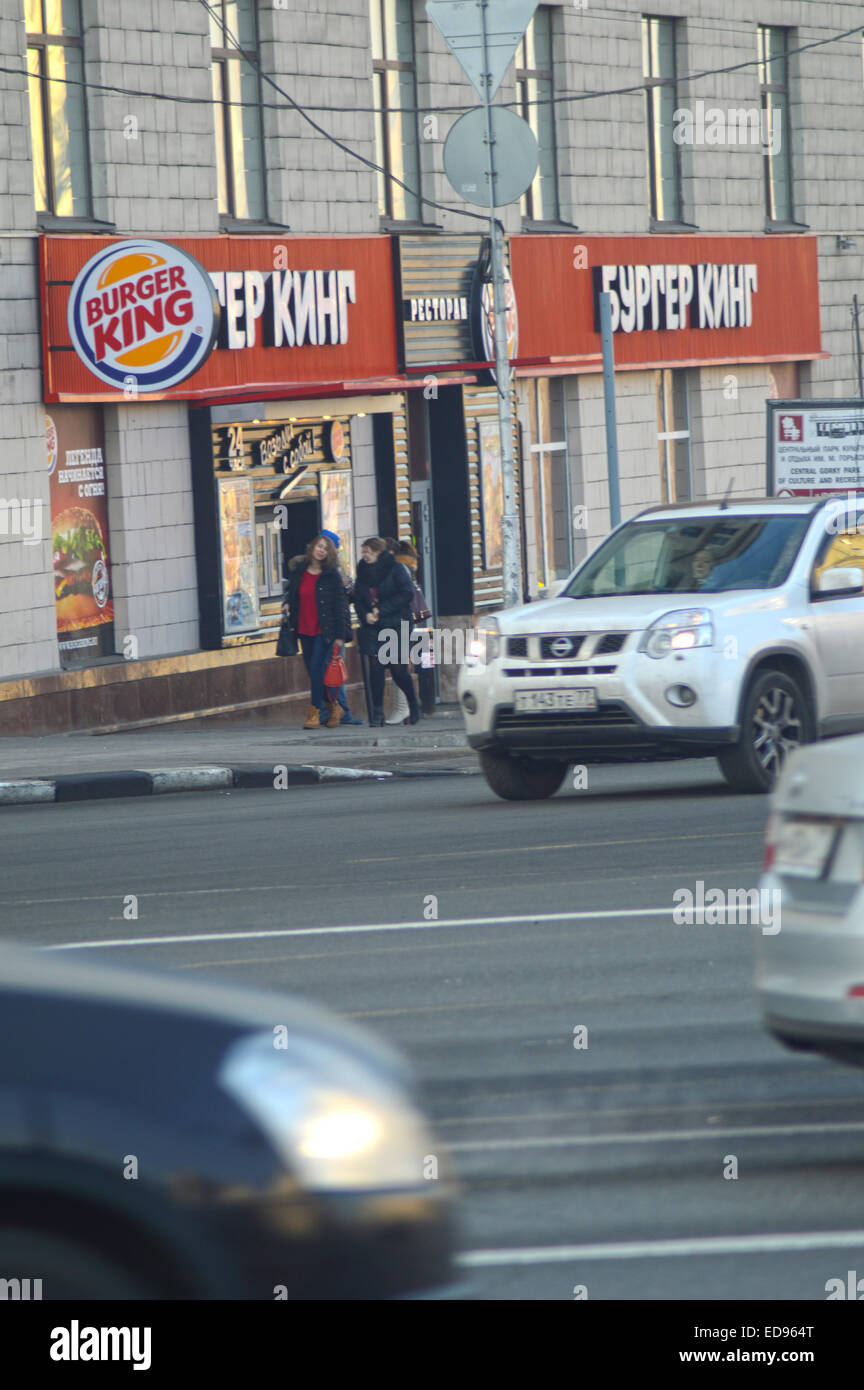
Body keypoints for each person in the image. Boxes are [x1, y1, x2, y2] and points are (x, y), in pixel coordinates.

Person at [282, 533, 351, 730]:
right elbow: (292, 595)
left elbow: (340, 607)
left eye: (326, 548)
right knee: (314, 673)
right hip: (304, 628)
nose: (321, 550)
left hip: (325, 631)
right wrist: (287, 604)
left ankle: (314, 711)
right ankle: (334, 708)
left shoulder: (331, 576)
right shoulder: (300, 572)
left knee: (316, 669)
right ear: (312, 547)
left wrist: (340, 636)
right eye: (319, 546)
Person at [353, 536, 419, 727]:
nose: (365, 555)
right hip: (372, 626)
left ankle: (414, 705)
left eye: (368, 552)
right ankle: (377, 713)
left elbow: (407, 593)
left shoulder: (396, 568)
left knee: (398, 669)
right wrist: (365, 614)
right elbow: (358, 597)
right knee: (375, 667)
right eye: (363, 552)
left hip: (396, 623)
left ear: (378, 553)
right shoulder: (363, 570)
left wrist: (382, 610)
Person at [318, 529, 363, 727]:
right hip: (330, 629)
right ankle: (338, 711)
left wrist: (347, 590)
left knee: (330, 671)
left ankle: (331, 711)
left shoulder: (330, 569)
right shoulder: (329, 571)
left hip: (329, 628)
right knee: (335, 671)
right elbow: (336, 603)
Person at [395, 540, 435, 716]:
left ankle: (408, 706)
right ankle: (426, 705)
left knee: (405, 663)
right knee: (418, 660)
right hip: (414, 620)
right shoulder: (411, 565)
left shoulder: (399, 566)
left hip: (402, 619)